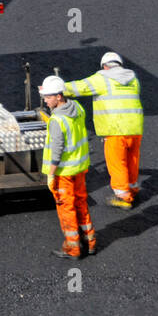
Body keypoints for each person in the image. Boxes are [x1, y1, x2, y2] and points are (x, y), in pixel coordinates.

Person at [63, 52, 142, 209]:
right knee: (131, 159)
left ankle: (123, 197)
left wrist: (57, 88)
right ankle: (132, 188)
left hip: (115, 129)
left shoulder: (102, 78)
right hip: (134, 127)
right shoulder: (133, 79)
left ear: (105, 66)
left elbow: (79, 87)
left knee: (117, 163)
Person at [39, 75, 96, 260]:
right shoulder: (78, 108)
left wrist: (51, 175)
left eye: (48, 97)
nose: (45, 101)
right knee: (81, 203)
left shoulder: (56, 121)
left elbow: (56, 151)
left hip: (64, 173)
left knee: (66, 209)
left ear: (58, 96)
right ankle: (90, 242)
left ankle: (73, 249)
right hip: (80, 168)